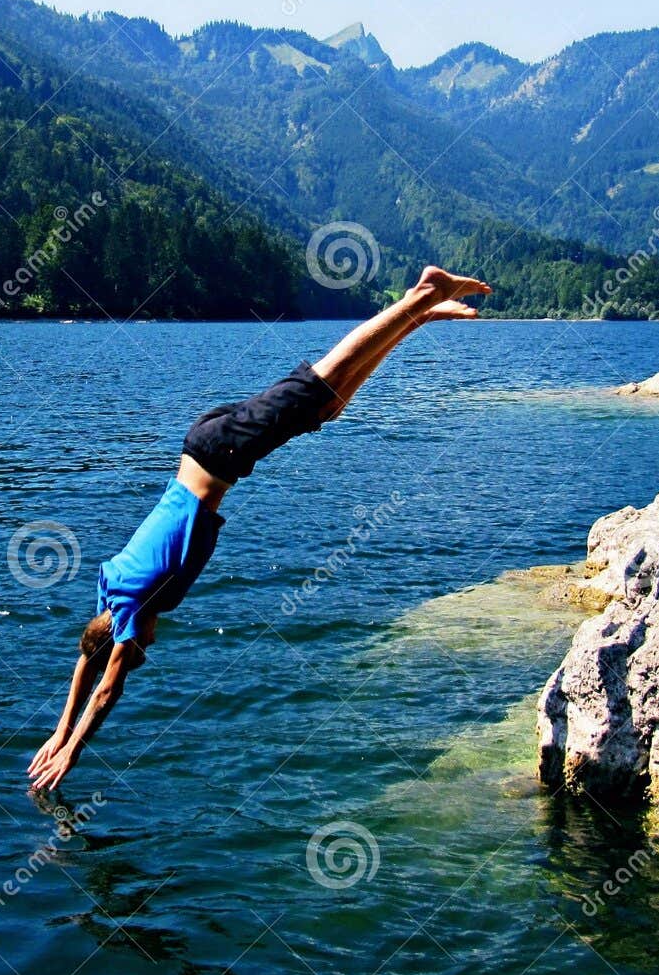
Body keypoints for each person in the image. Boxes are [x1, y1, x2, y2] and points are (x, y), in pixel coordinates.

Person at [27, 266, 491, 792]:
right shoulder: (111, 592)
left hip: (221, 452)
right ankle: (417, 316)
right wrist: (59, 730)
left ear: (127, 639)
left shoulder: (133, 607)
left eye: (139, 650)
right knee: (327, 406)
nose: (148, 645)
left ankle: (423, 292)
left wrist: (72, 751)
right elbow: (87, 662)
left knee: (320, 383)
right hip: (208, 447)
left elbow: (107, 689)